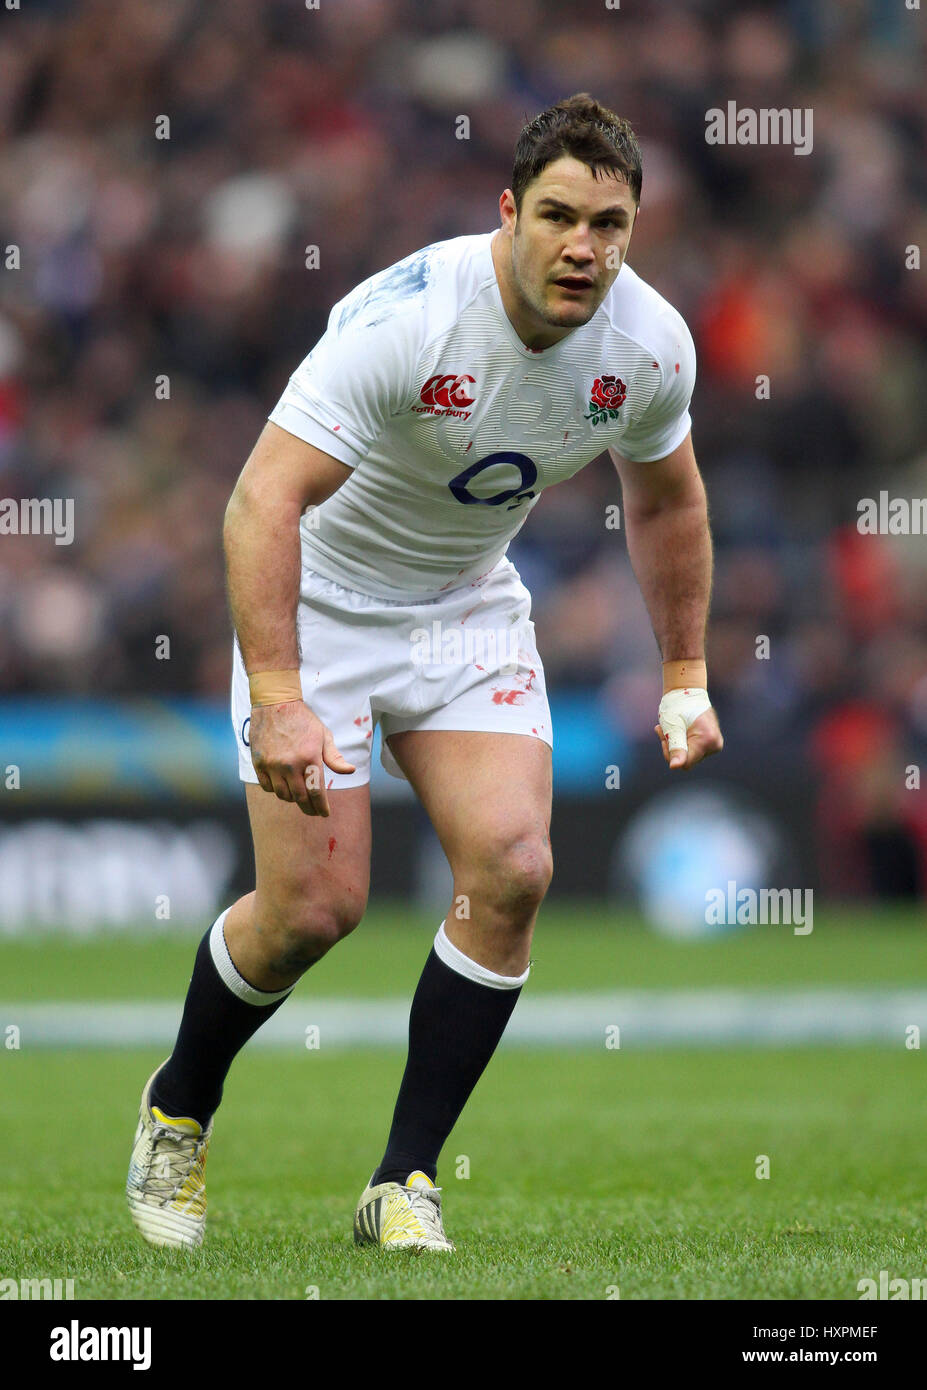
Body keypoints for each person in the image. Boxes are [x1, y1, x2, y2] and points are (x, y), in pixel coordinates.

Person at [126, 92, 723, 1253]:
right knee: (312, 911)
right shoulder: (409, 320)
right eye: (556, 216)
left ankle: (403, 1179)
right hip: (323, 610)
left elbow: (668, 496)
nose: (582, 247)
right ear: (507, 211)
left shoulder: (651, 345)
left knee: (513, 867)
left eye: (609, 223)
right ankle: (178, 1104)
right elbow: (260, 503)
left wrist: (688, 669)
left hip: (464, 614)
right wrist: (282, 698)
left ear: (635, 228)